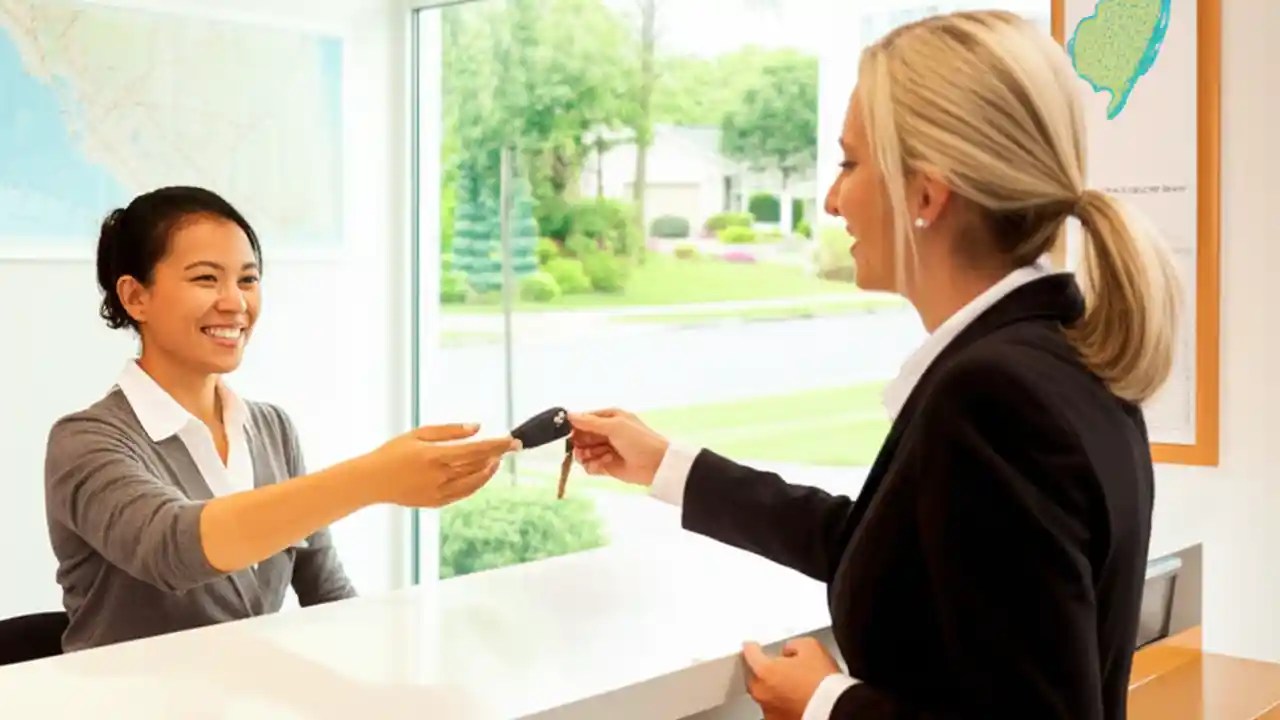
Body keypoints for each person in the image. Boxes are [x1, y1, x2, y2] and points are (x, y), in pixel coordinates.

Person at [568, 10, 1179, 720]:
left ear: (925, 195)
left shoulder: (994, 399)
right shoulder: (1057, 354)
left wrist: (829, 702)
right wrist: (668, 465)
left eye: (850, 164)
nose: (832, 200)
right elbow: (890, 549)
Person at [44, 186, 519, 652]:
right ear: (135, 297)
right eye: (206, 278)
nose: (235, 302)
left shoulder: (271, 429)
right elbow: (174, 549)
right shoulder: (85, 442)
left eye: (248, 280)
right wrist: (372, 479)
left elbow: (327, 595)